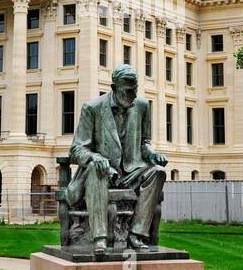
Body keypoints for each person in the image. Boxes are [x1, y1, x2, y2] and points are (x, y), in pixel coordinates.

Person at [66, 64, 169, 252]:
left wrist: (152, 154)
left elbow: (144, 142)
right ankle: (100, 237)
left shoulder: (142, 106)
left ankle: (136, 233)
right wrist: (94, 157)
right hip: (103, 173)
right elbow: (76, 149)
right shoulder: (93, 108)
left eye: (135, 91)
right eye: (128, 91)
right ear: (114, 88)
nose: (133, 96)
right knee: (97, 171)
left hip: (132, 171)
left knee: (159, 173)